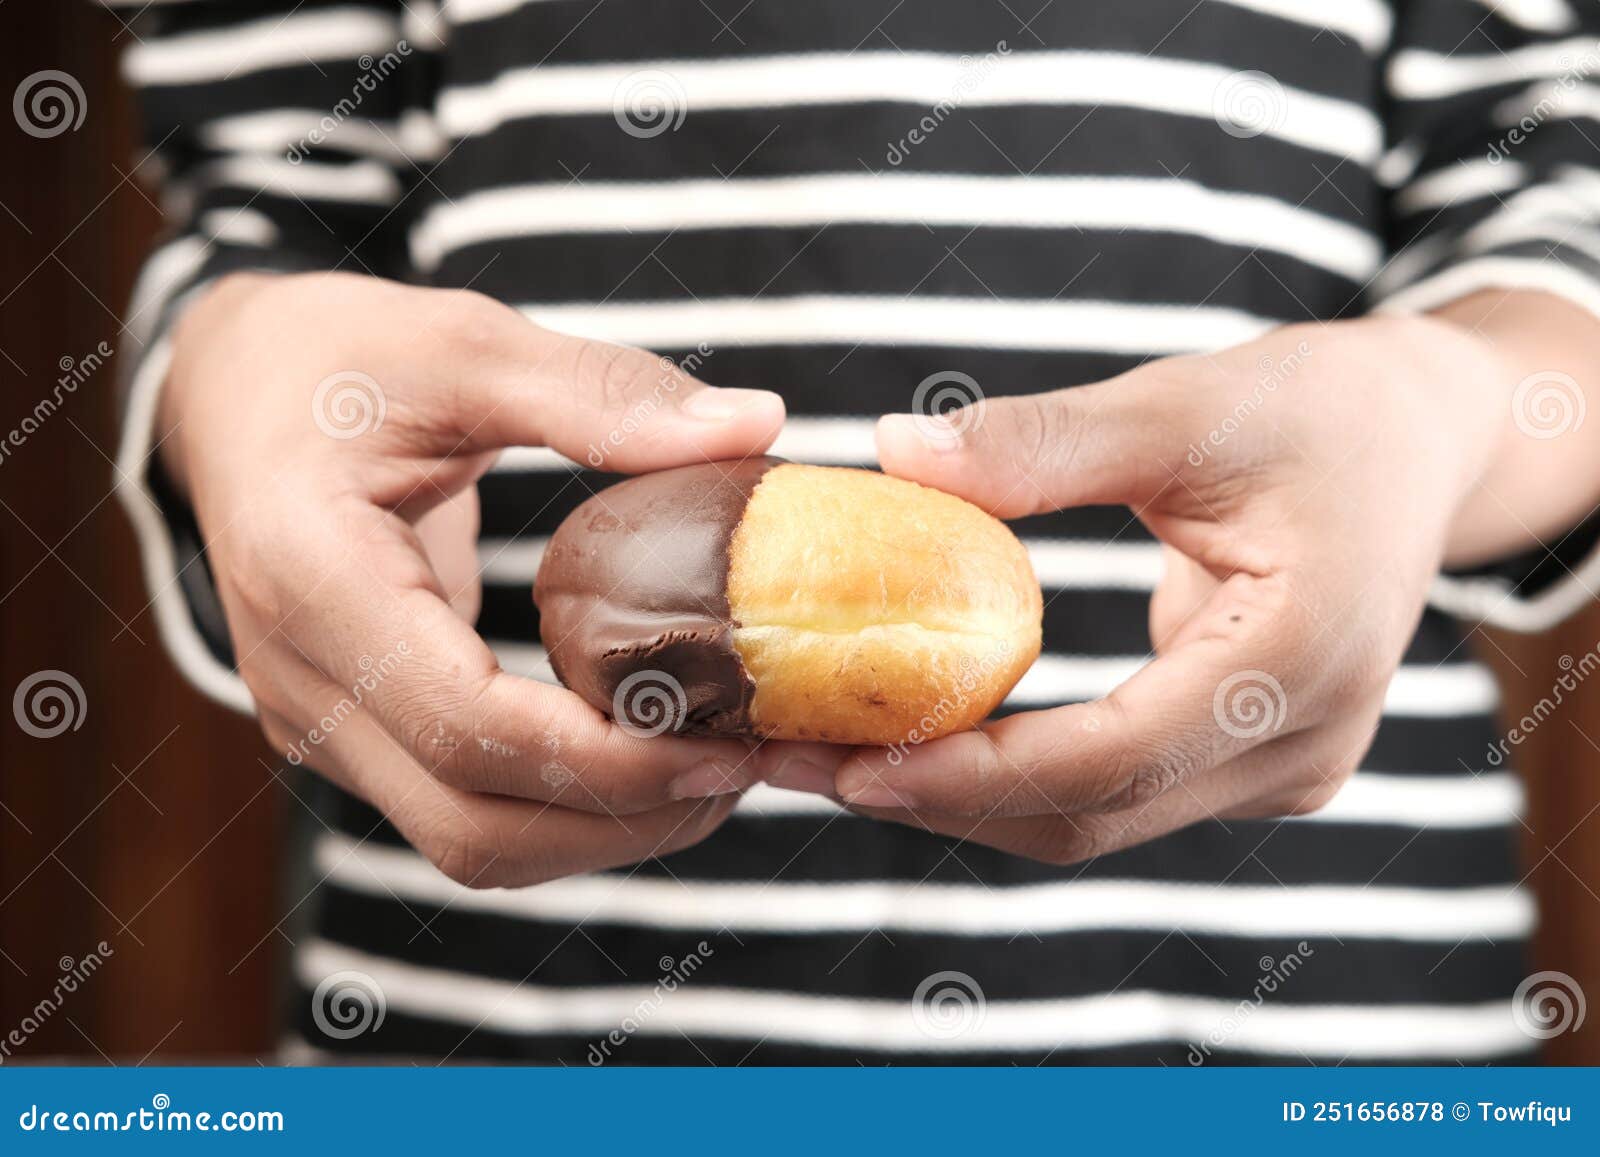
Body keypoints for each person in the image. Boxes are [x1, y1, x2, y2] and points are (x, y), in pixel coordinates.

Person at [104, 0, 1600, 1064]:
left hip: (1306, 1030)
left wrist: (1442, 397)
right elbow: (268, 209)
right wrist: (244, 380)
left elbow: (1556, 226)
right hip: (510, 1035)